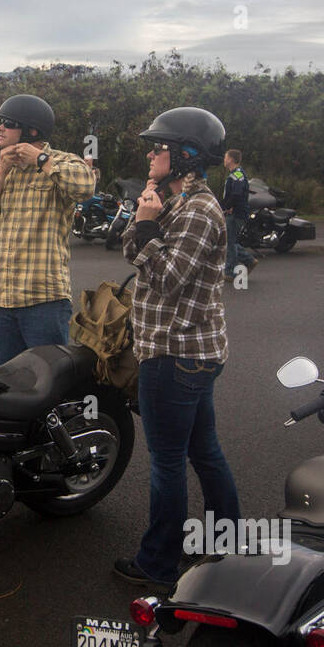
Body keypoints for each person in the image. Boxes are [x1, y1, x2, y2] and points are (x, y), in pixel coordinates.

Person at [113, 107, 240, 594]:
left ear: (185, 154)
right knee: (204, 451)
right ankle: (228, 544)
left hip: (176, 353)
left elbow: (165, 278)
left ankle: (160, 564)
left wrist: (147, 227)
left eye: (158, 146)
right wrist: (143, 216)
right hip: (187, 350)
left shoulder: (200, 211)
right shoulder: (176, 201)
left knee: (169, 462)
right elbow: (133, 253)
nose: (149, 152)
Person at [0, 94, 95, 365]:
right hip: (3, 299)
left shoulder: (62, 161)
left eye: (8, 123)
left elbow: (85, 187)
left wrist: (42, 159)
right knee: (8, 381)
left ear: (31, 130)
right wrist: (1, 170)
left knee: (49, 382)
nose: (0, 128)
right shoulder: (6, 169)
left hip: (44, 300)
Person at [220, 149, 256, 276]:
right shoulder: (234, 174)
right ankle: (249, 260)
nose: (224, 160)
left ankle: (231, 271)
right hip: (232, 212)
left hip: (236, 213)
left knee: (230, 241)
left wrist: (228, 206)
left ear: (231, 159)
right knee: (229, 240)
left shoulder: (238, 174)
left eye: (225, 157)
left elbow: (236, 194)